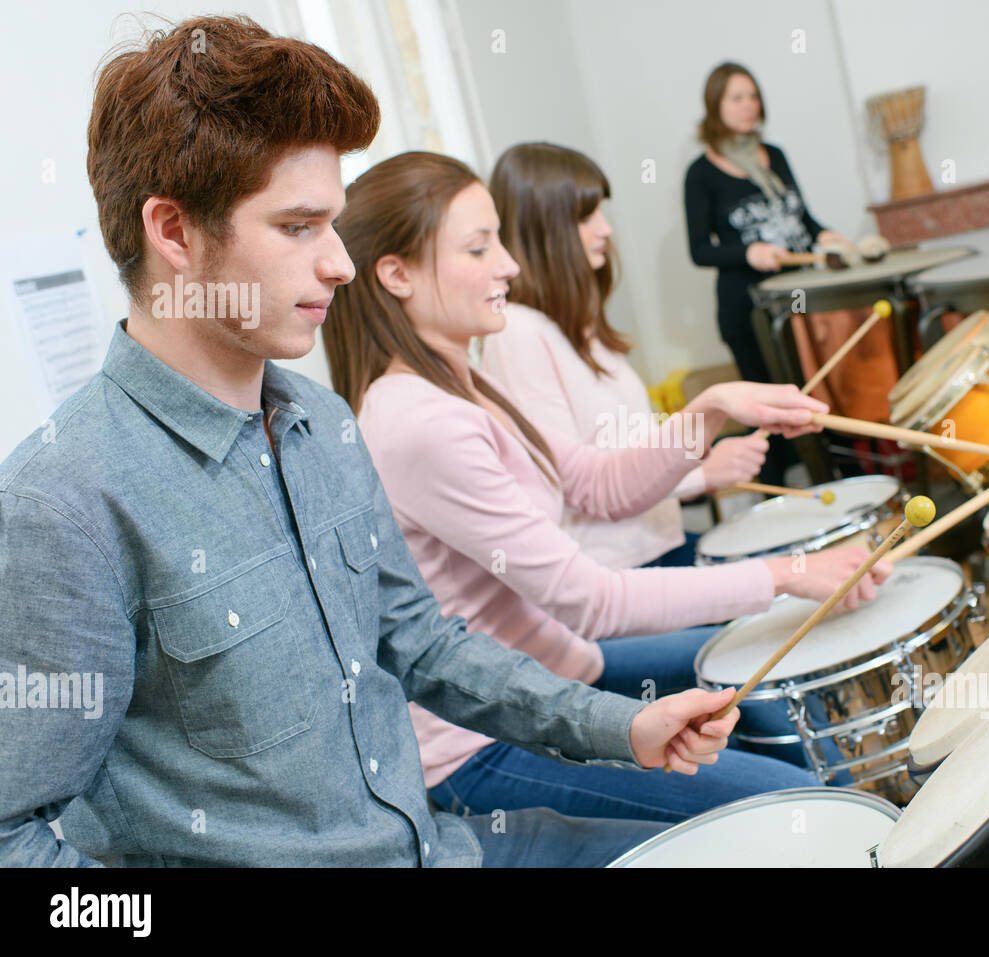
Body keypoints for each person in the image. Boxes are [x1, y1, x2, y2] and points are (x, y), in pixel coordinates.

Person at [0, 14, 749, 869]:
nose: (341, 265)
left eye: (335, 224)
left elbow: (422, 642)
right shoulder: (60, 503)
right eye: (297, 228)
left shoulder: (324, 424)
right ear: (173, 231)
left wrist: (618, 723)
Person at [322, 150, 893, 822]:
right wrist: (788, 571)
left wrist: (710, 410)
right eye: (479, 248)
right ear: (396, 275)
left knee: (766, 666)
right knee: (786, 801)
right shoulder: (415, 419)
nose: (508, 265)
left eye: (500, 241)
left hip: (561, 672)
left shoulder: (464, 382)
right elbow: (590, 599)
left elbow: (597, 485)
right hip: (483, 742)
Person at [481, 141, 767, 569]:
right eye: (586, 216)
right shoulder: (516, 332)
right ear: (544, 229)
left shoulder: (576, 322)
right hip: (611, 568)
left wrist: (697, 459)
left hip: (656, 543)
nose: (606, 229)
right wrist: (699, 473)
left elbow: (626, 442)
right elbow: (572, 480)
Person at [684, 61, 851, 486]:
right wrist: (748, 252)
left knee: (816, 395)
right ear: (715, 107)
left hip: (800, 301)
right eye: (736, 98)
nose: (748, 106)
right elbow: (700, 250)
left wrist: (825, 235)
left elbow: (800, 219)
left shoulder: (773, 155)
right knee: (767, 409)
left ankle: (843, 483)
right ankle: (778, 498)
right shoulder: (701, 174)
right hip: (749, 310)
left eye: (753, 96)